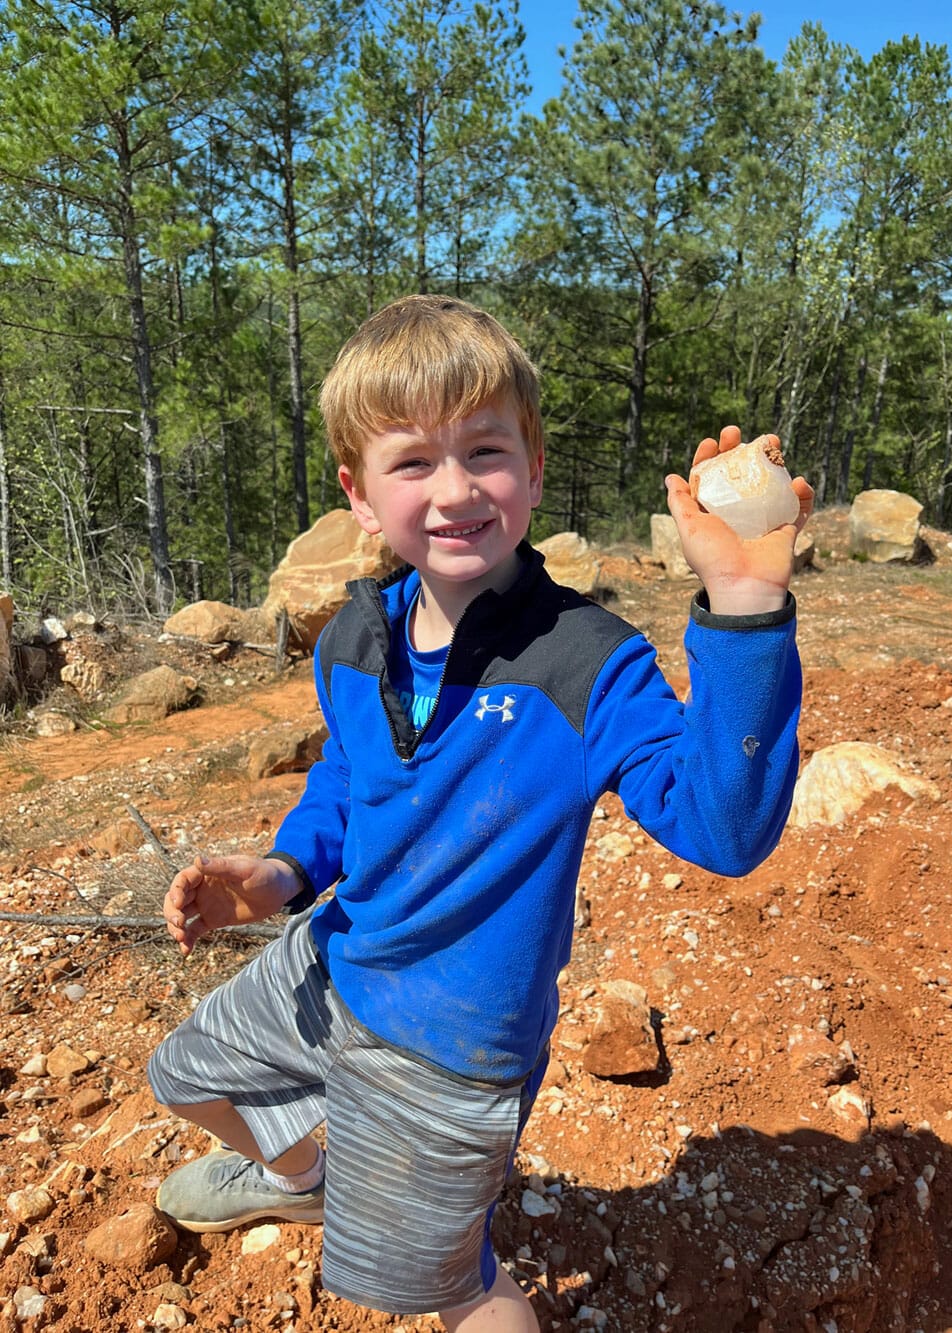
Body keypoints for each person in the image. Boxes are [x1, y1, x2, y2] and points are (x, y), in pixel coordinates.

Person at [148, 294, 813, 1332]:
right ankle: (310, 1174)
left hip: (450, 1051)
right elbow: (345, 782)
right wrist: (280, 872)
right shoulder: (352, 643)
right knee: (183, 1071)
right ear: (358, 496)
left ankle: (413, 1232)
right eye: (412, 461)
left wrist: (742, 608)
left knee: (453, 1292)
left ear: (534, 468)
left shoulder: (586, 662)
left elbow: (723, 829)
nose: (454, 489)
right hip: (330, 964)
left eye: (486, 451)